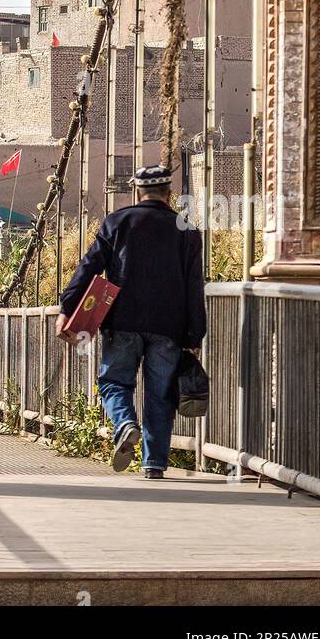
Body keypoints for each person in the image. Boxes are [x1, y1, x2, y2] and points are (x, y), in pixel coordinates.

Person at [55, 164, 205, 480]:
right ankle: (154, 465)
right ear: (169, 193)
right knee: (160, 394)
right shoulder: (187, 231)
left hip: (122, 321)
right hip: (169, 328)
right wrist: (195, 334)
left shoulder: (116, 223)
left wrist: (67, 308)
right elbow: (194, 286)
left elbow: (88, 269)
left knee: (113, 382)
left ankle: (124, 424)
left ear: (137, 192)